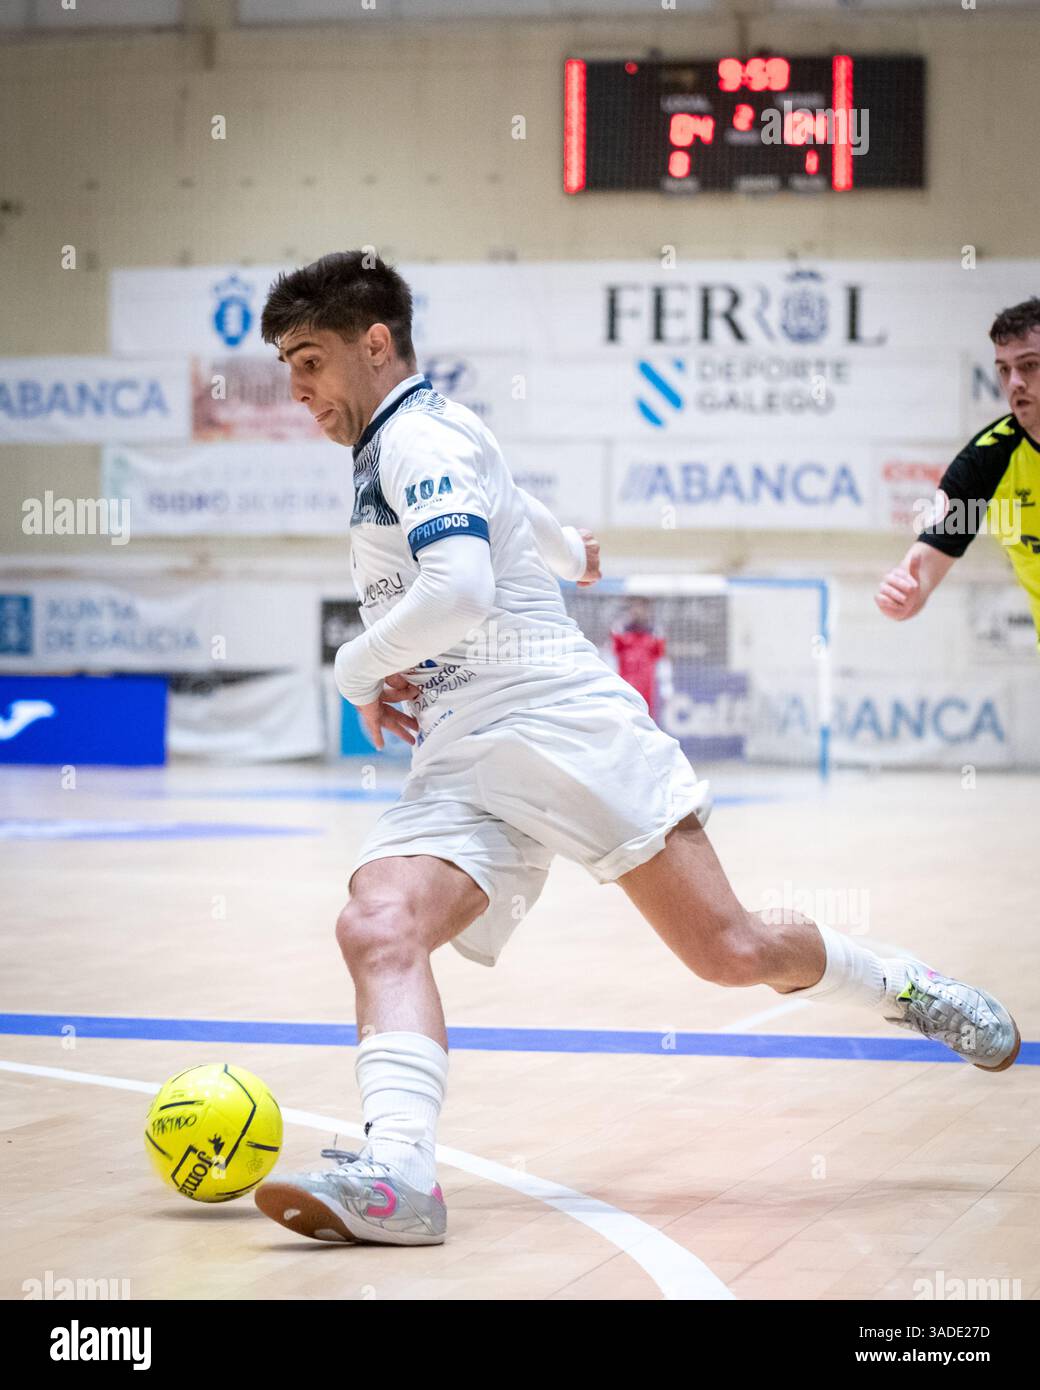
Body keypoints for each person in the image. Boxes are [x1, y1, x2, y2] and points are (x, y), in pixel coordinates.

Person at [253, 251, 1020, 1249]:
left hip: (560, 729)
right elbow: (502, 505)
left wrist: (356, 668)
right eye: (285, 367)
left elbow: (459, 590)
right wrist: (569, 549)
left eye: (308, 360)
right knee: (376, 920)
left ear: (375, 343)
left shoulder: (417, 440)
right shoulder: (425, 434)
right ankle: (400, 1173)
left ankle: (904, 986)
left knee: (730, 950)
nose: (296, 389)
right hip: (462, 752)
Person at [876, 296, 1040, 643]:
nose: (1014, 383)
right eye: (1003, 369)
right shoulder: (986, 461)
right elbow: (929, 557)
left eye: (1029, 365)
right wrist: (908, 594)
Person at [611, 597, 669, 722]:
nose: (638, 611)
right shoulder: (621, 632)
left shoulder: (654, 634)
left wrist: (666, 686)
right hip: (625, 686)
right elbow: (611, 656)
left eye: (641, 608)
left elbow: (662, 660)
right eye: (635, 607)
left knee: (645, 721)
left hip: (646, 688)